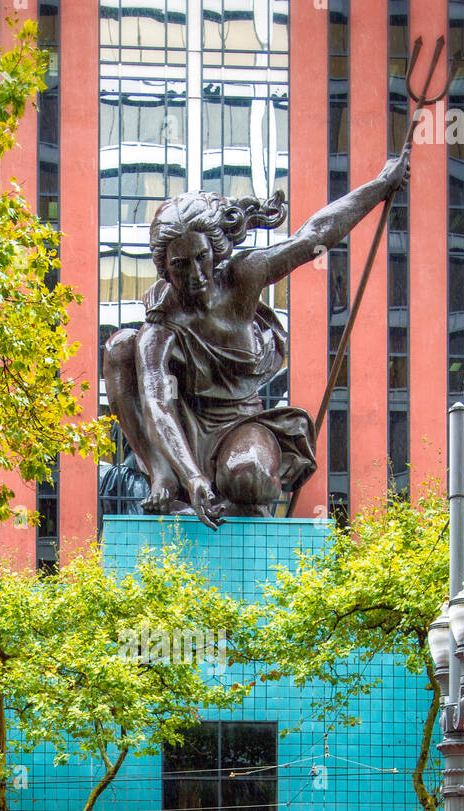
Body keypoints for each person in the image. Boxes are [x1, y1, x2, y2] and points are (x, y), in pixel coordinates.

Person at [103, 148, 411, 529]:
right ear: (165, 268)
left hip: (240, 422)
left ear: (214, 249)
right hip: (184, 429)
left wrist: (380, 186)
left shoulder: (244, 277)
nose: (196, 273)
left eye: (201, 257)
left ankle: (236, 515)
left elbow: (314, 235)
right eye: (180, 265)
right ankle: (162, 473)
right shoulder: (161, 323)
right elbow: (156, 403)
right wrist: (190, 476)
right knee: (119, 347)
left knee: (249, 477)